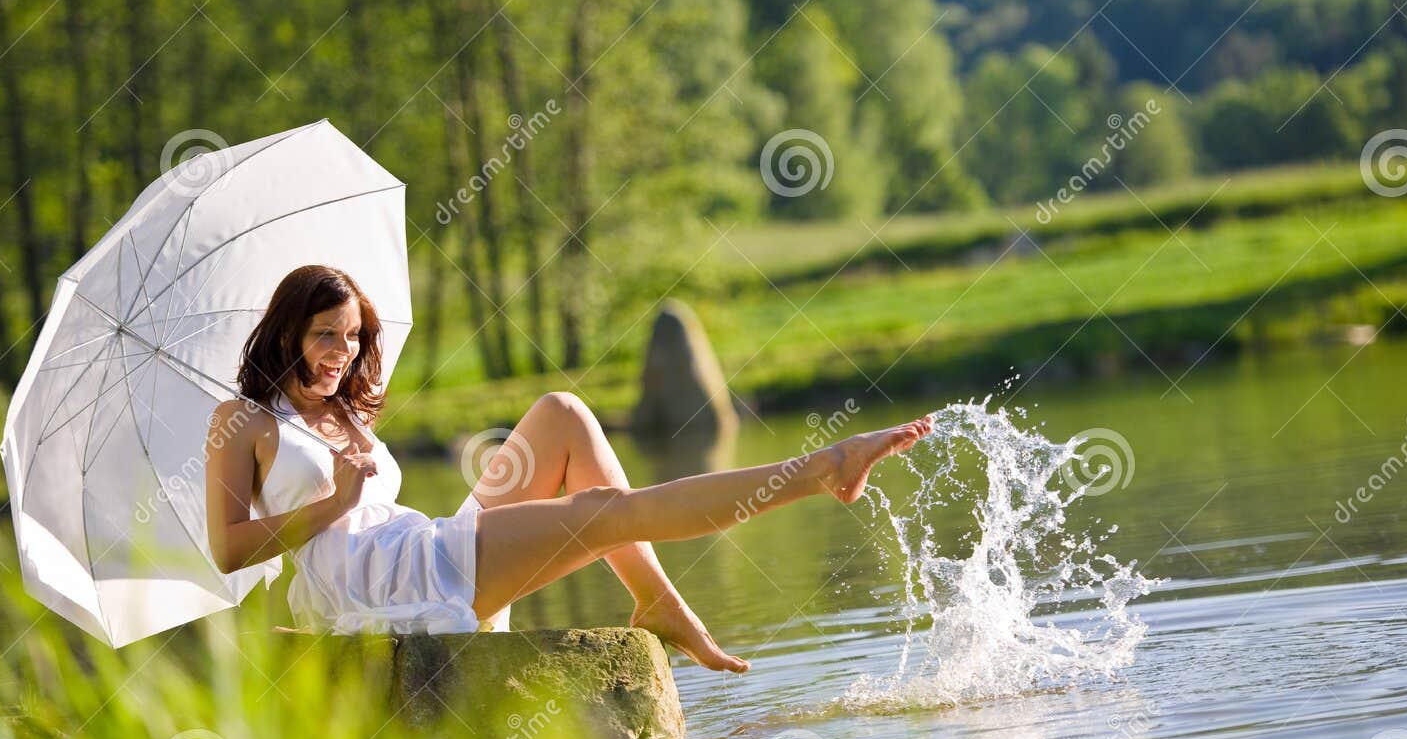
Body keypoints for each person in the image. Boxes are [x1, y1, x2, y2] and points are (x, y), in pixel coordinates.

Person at [205, 264, 933, 672]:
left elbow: (369, 500)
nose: (340, 350)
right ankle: (818, 469)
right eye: (323, 334)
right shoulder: (243, 421)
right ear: (287, 331)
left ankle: (659, 602)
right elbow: (230, 547)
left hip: (418, 543)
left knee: (562, 412)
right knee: (605, 513)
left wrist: (351, 488)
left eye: (352, 335)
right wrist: (332, 505)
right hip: (383, 583)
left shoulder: (347, 411)